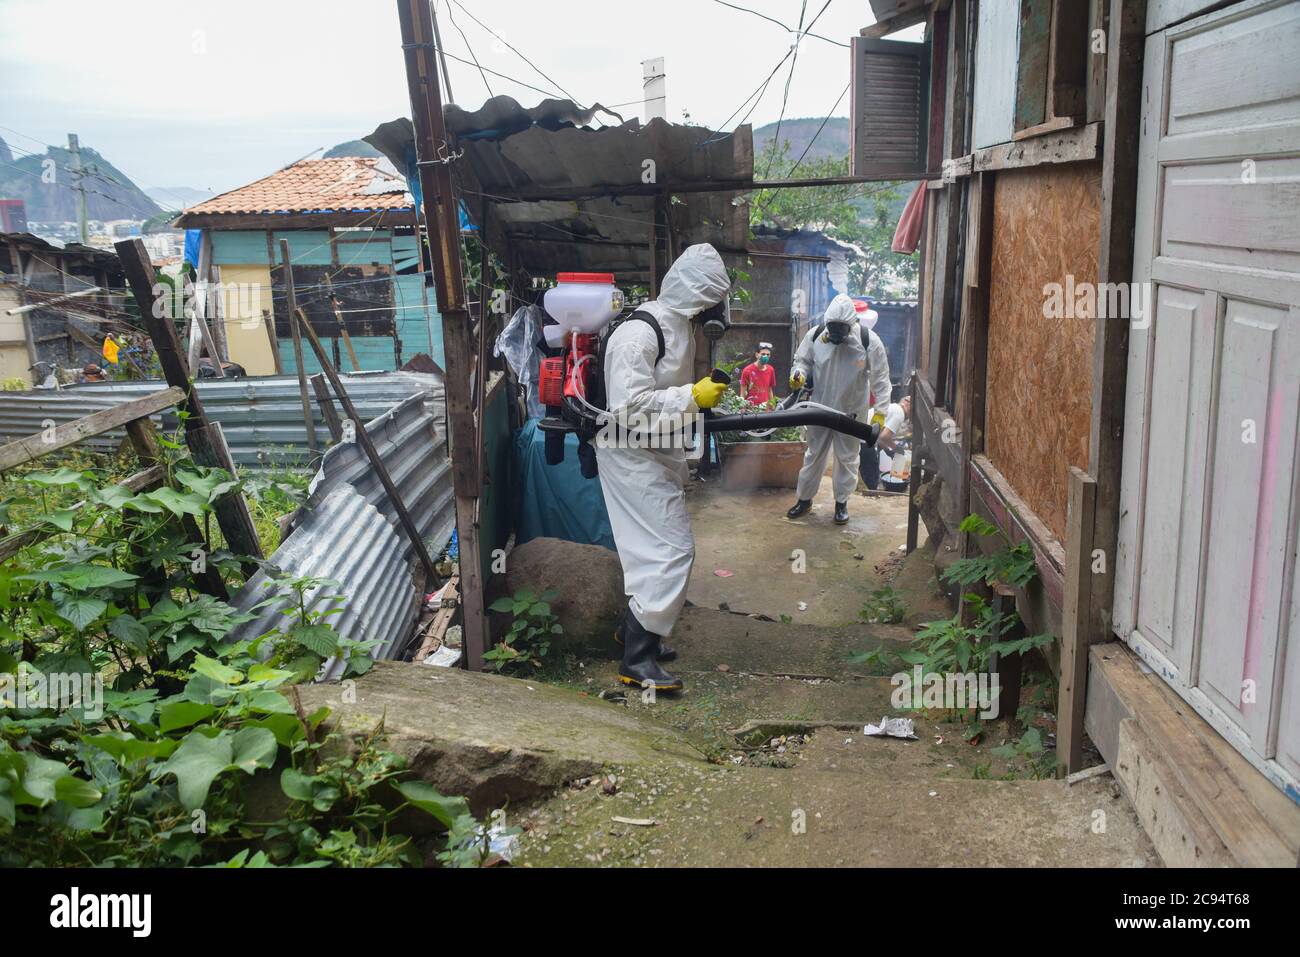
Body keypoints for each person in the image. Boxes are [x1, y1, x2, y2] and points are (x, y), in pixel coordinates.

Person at [596, 244, 731, 693]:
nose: (716, 310)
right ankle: (635, 660)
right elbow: (629, 407)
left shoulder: (679, 325)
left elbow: (664, 392)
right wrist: (692, 397)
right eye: (713, 298)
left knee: (648, 547)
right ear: (697, 293)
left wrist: (695, 398)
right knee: (671, 549)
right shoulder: (638, 334)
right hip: (628, 450)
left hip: (657, 447)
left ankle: (636, 633)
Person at [786, 294, 891, 524]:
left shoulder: (868, 341)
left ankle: (841, 504)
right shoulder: (815, 335)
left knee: (847, 458)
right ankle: (804, 500)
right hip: (818, 408)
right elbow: (802, 361)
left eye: (839, 328)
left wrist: (881, 413)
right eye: (831, 327)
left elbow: (881, 380)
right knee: (814, 456)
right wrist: (799, 375)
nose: (834, 332)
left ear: (851, 324)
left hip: (851, 413)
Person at [861, 395, 911, 490]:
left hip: (863, 434)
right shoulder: (899, 413)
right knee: (872, 472)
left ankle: (869, 490)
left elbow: (880, 437)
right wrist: (897, 449)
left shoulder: (893, 407)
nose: (910, 416)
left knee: (869, 469)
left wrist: (888, 450)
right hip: (864, 438)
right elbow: (885, 436)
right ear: (907, 405)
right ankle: (872, 496)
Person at [739, 342, 778, 407]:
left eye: (768, 354)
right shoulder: (747, 370)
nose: (765, 356)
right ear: (757, 355)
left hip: (765, 409)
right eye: (763, 354)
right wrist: (742, 408)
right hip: (751, 410)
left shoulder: (770, 370)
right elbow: (743, 393)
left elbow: (770, 390)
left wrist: (773, 406)